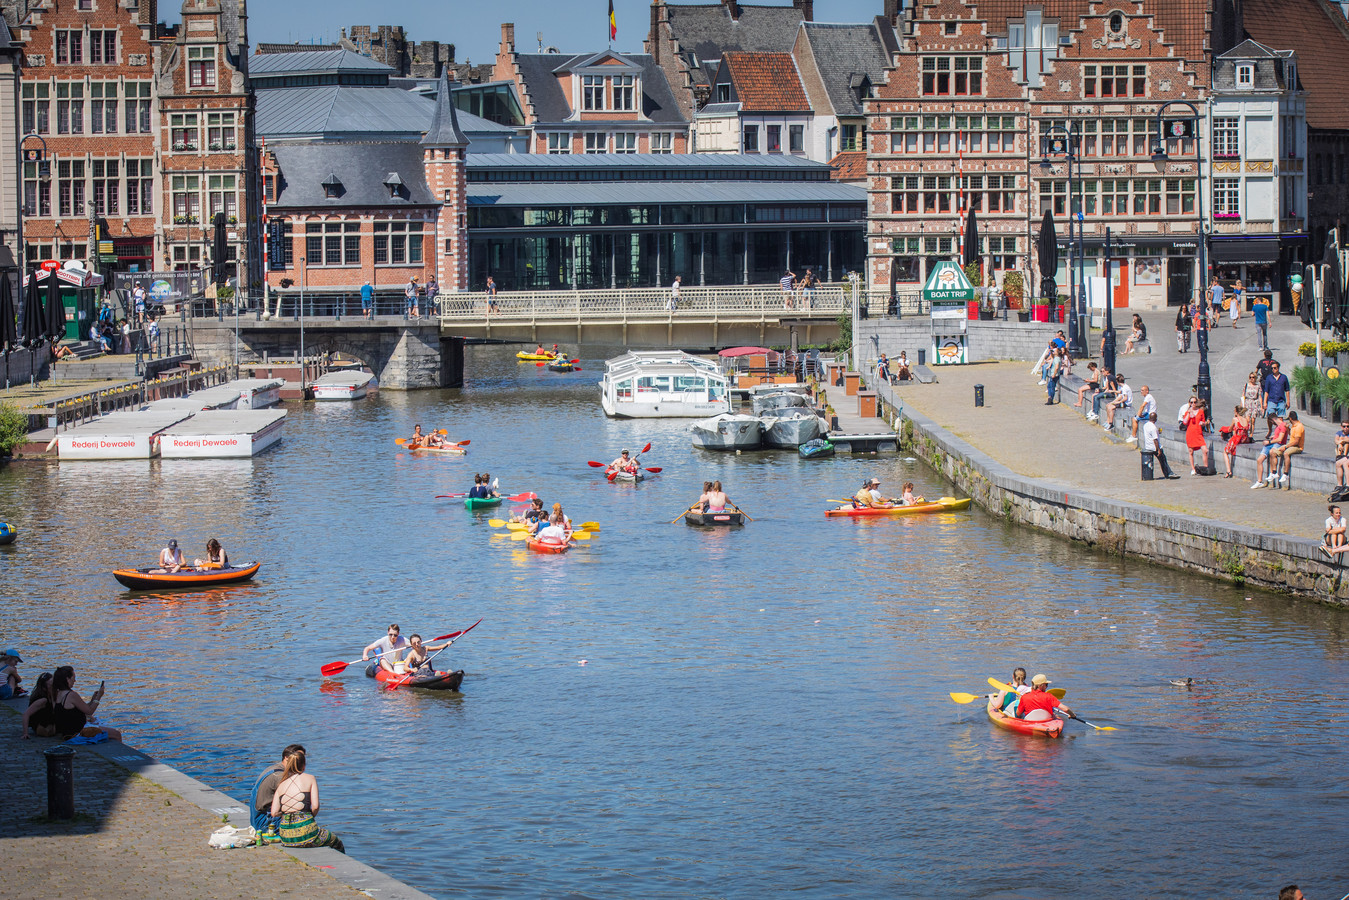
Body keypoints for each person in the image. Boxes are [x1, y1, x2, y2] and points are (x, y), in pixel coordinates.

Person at [270, 745, 345, 852]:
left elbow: (273, 812)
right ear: (304, 766)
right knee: (335, 841)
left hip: (286, 837)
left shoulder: (281, 784)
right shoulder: (310, 778)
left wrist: (286, 814)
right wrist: (308, 816)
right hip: (307, 833)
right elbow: (315, 806)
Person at [50, 665, 122, 741]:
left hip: (66, 732)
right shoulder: (71, 695)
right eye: (73, 677)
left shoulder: (56, 693)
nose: (75, 681)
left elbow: (80, 710)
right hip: (78, 732)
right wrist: (99, 696)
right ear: (67, 679)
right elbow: (90, 711)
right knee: (117, 734)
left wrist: (92, 700)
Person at [250, 743, 305, 837]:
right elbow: (292, 805)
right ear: (287, 758)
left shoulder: (273, 768)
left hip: (257, 819)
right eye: (299, 759)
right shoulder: (281, 776)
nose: (302, 762)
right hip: (266, 823)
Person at [1252, 414, 1289, 489]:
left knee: (1272, 452)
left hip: (1277, 444)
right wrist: (1273, 437)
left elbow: (1280, 439)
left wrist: (1269, 442)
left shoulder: (1282, 426)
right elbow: (1277, 436)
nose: (1272, 424)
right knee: (1259, 460)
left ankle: (1273, 472)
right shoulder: (1278, 426)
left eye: (1271, 422)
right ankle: (1259, 481)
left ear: (1273, 420)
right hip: (1272, 443)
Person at [1270, 410, 1304, 488]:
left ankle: (1286, 474)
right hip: (1291, 445)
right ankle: (1274, 473)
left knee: (1286, 453)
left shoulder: (1299, 427)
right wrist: (1288, 429)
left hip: (1297, 447)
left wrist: (1285, 447)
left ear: (1291, 419)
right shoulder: (1293, 426)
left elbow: (1296, 442)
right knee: (1273, 452)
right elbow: (1291, 436)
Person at [20, 672, 57, 738]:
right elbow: (26, 714)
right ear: (44, 688)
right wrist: (25, 733)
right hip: (42, 725)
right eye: (51, 685)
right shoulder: (42, 700)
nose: (54, 687)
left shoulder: (52, 696)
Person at [1142, 412, 1176, 479]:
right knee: (1163, 460)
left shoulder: (1146, 425)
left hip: (1148, 446)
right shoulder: (1153, 428)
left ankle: (1168, 473)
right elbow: (1155, 440)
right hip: (1154, 447)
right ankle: (1168, 473)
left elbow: (1150, 434)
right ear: (1156, 419)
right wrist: (1158, 450)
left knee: (1162, 460)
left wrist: (1157, 432)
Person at [1222, 405, 1252, 478]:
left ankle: (1228, 471)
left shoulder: (1235, 419)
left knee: (1225, 452)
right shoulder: (1245, 419)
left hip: (1237, 438)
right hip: (1245, 438)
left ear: (1236, 412)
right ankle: (1228, 471)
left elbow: (1229, 429)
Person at [1183, 398, 1208, 474]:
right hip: (1190, 433)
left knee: (1205, 450)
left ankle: (1205, 468)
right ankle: (1193, 468)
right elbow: (1185, 422)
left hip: (1198, 433)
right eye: (1192, 402)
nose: (1193, 403)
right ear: (1189, 403)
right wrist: (1189, 414)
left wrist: (1203, 423)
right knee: (1191, 451)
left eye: (1195, 402)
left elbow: (1203, 421)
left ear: (1197, 403)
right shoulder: (1187, 412)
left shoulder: (1201, 412)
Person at [1336, 421, 1349, 488]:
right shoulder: (1339, 433)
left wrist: (1342, 440)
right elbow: (1336, 441)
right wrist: (1340, 443)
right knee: (1338, 463)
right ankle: (1339, 485)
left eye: (1347, 426)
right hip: (1346, 454)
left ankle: (1348, 485)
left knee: (1345, 463)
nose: (1346, 428)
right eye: (1344, 426)